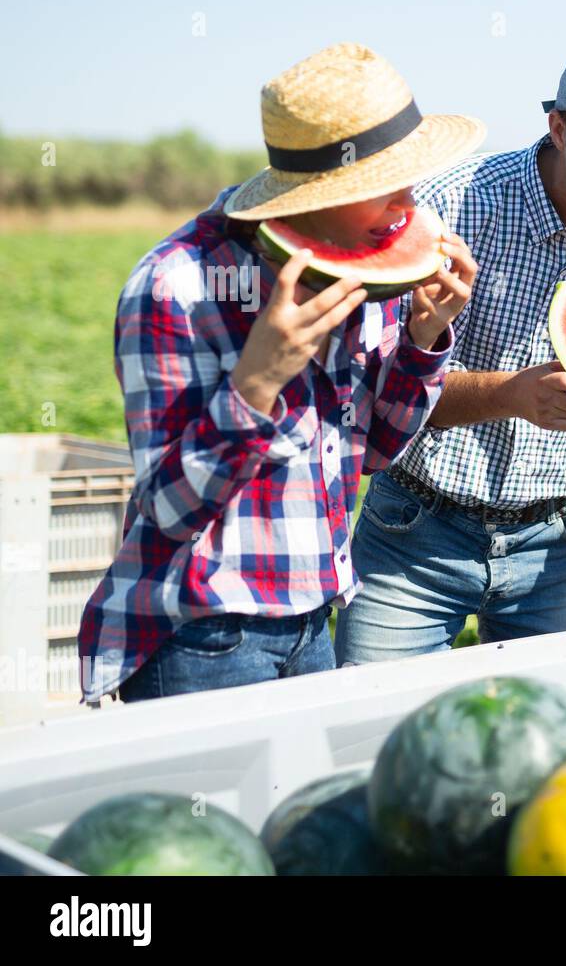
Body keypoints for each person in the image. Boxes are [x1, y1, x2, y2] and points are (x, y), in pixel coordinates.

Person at [78, 42, 484, 703]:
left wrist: (422, 337)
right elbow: (171, 510)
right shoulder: (175, 285)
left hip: (313, 621)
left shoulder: (359, 268)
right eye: (391, 182)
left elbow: (374, 452)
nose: (411, 201)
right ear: (323, 191)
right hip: (201, 638)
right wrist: (258, 380)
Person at [335, 33, 566, 664]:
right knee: (365, 738)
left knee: (550, 748)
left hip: (558, 545)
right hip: (415, 533)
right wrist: (512, 395)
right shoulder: (455, 205)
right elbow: (381, 394)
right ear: (559, 129)